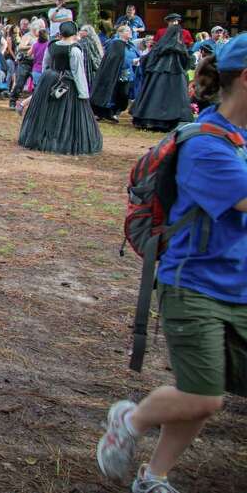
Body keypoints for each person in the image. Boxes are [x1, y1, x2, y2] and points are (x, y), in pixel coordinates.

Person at [97, 37, 247, 493]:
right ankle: (131, 418)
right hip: (197, 287)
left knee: (201, 399)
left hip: (238, 288)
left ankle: (153, 476)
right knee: (203, 396)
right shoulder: (208, 147)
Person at [17, 21, 103, 155]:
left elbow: (46, 64)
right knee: (65, 114)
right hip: (67, 82)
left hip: (50, 77)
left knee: (46, 111)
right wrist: (83, 93)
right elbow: (78, 72)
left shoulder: (51, 46)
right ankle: (61, 141)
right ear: (74, 33)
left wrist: (47, 79)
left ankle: (42, 137)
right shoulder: (74, 49)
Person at [133, 15, 195, 132]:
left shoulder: (164, 45)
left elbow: (150, 57)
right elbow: (185, 60)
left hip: (162, 72)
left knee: (157, 94)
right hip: (171, 73)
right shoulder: (174, 44)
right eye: (173, 21)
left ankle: (154, 118)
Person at [91, 24, 139, 123]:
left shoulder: (130, 45)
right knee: (113, 93)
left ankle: (115, 112)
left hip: (128, 74)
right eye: (127, 30)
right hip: (115, 74)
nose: (129, 32)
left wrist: (135, 61)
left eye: (130, 30)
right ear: (120, 33)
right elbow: (112, 60)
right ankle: (109, 113)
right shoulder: (115, 44)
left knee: (124, 94)